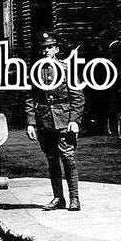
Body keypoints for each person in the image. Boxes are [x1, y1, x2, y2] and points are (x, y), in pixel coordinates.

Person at [26, 31, 84, 211]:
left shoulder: (67, 69)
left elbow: (78, 97)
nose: (46, 51)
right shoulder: (35, 70)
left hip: (64, 119)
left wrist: (74, 120)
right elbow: (30, 97)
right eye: (43, 48)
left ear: (56, 49)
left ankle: (74, 198)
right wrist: (31, 122)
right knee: (52, 159)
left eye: (50, 47)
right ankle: (58, 198)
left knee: (68, 158)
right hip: (45, 121)